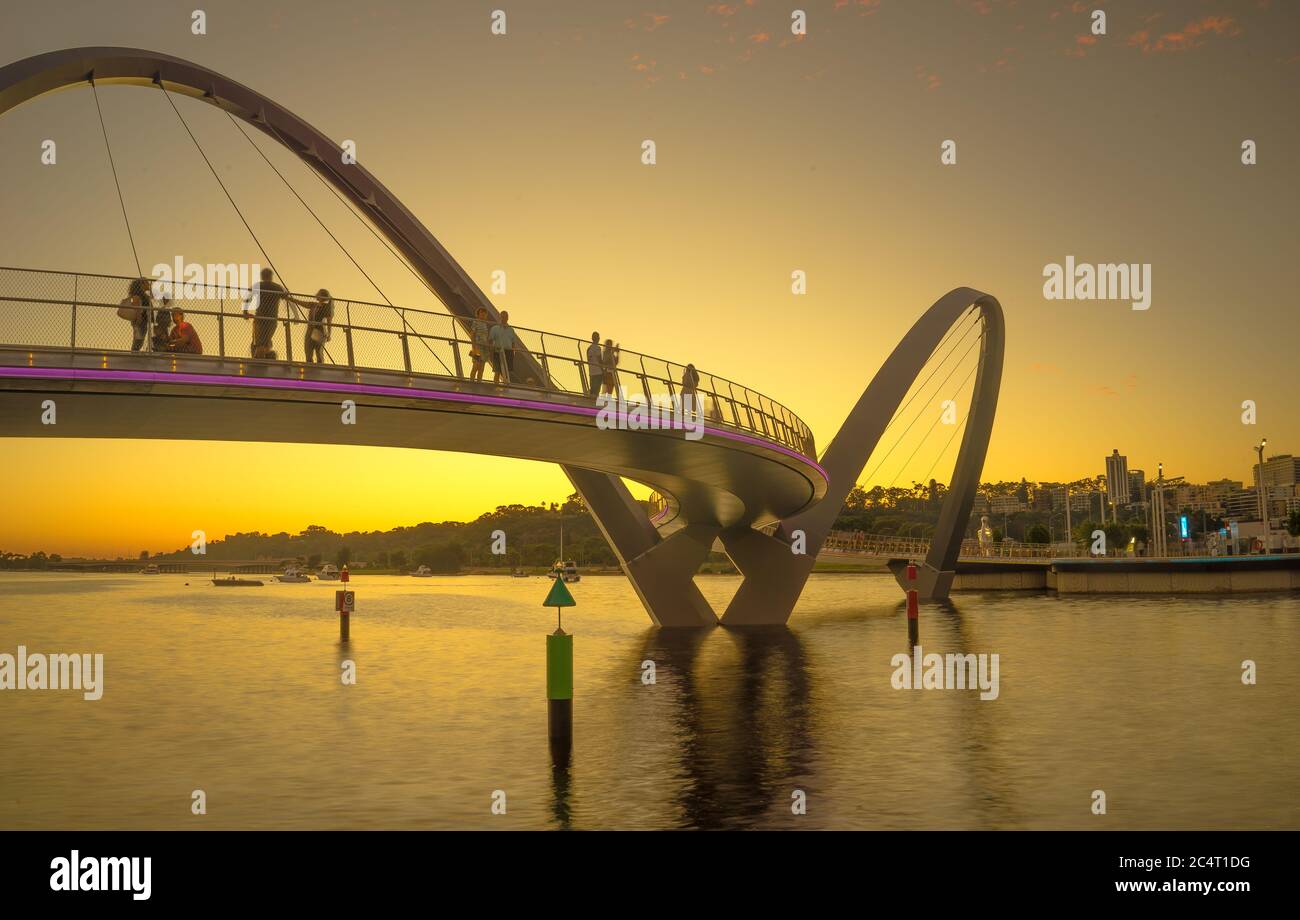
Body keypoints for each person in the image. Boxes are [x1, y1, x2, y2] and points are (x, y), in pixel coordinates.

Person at [242, 267, 285, 359]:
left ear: (262, 276)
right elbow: (286, 297)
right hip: (272, 319)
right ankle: (263, 358)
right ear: (271, 276)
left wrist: (245, 312)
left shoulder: (258, 286)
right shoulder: (277, 287)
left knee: (260, 344)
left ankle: (259, 361)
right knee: (264, 343)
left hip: (260, 319)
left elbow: (247, 297)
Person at [288, 288, 333, 364]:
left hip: (318, 331)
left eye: (319, 294)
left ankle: (318, 365)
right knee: (309, 350)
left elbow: (329, 322)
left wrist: (329, 334)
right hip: (311, 330)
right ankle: (310, 364)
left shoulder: (326, 308)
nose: (317, 295)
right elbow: (300, 302)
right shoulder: (313, 305)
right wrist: (290, 299)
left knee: (317, 351)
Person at [120, 278, 152, 351]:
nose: (149, 284)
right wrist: (138, 318)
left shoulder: (143, 295)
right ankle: (134, 354)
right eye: (147, 282)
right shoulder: (138, 295)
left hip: (143, 321)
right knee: (138, 341)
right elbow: (136, 308)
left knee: (139, 341)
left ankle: (135, 353)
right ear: (142, 284)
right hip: (140, 321)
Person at [489, 310, 519, 384]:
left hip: (509, 352)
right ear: (500, 317)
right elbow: (490, 340)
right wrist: (491, 351)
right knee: (497, 371)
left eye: (505, 317)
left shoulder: (511, 330)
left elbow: (513, 342)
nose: (504, 318)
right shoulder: (495, 328)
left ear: (507, 318)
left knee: (507, 371)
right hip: (497, 351)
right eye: (502, 317)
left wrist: (513, 352)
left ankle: (506, 386)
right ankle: (496, 385)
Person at [469, 307, 491, 382]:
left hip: (484, 348)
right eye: (482, 313)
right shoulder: (476, 322)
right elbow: (472, 334)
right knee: (475, 366)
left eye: (485, 313)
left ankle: (479, 383)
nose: (483, 315)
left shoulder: (485, 324)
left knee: (481, 368)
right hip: (478, 347)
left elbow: (486, 336)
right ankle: (471, 382)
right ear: (478, 314)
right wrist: (474, 347)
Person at [586, 332, 604, 396]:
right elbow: (600, 360)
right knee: (596, 390)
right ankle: (594, 400)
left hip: (591, 372)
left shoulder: (589, 348)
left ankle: (590, 398)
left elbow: (588, 360)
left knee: (592, 389)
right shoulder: (597, 348)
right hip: (598, 372)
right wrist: (603, 370)